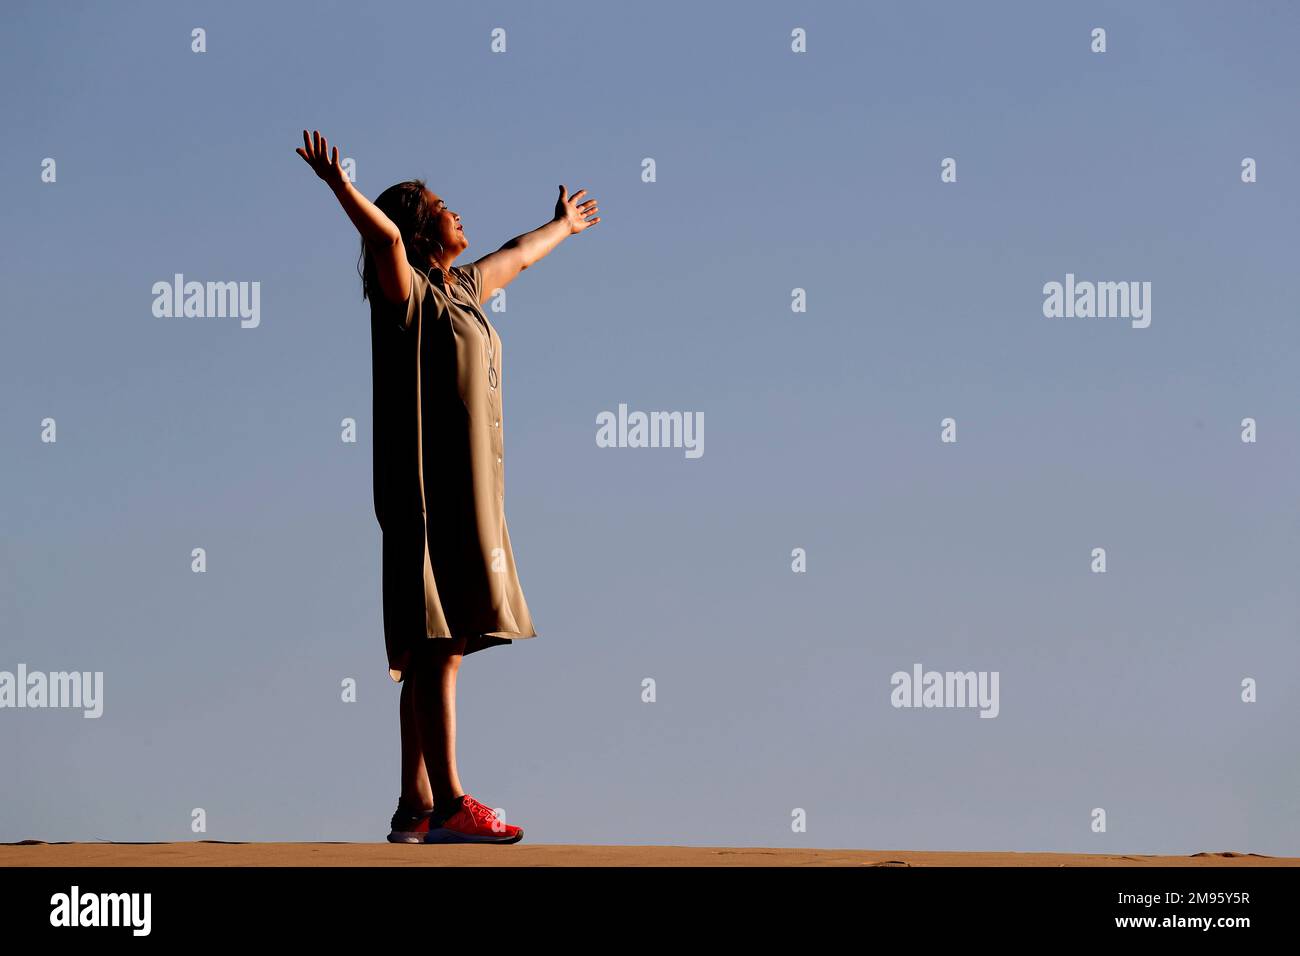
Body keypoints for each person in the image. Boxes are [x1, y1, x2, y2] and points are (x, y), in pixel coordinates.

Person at [296, 130, 600, 844]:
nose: (456, 214)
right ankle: (453, 801)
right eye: (441, 206)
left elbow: (517, 257)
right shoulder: (403, 294)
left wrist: (563, 225)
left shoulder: (460, 289)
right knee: (438, 642)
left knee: (437, 645)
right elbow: (384, 244)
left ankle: (414, 805)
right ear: (417, 227)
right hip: (425, 498)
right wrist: (343, 190)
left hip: (472, 497)